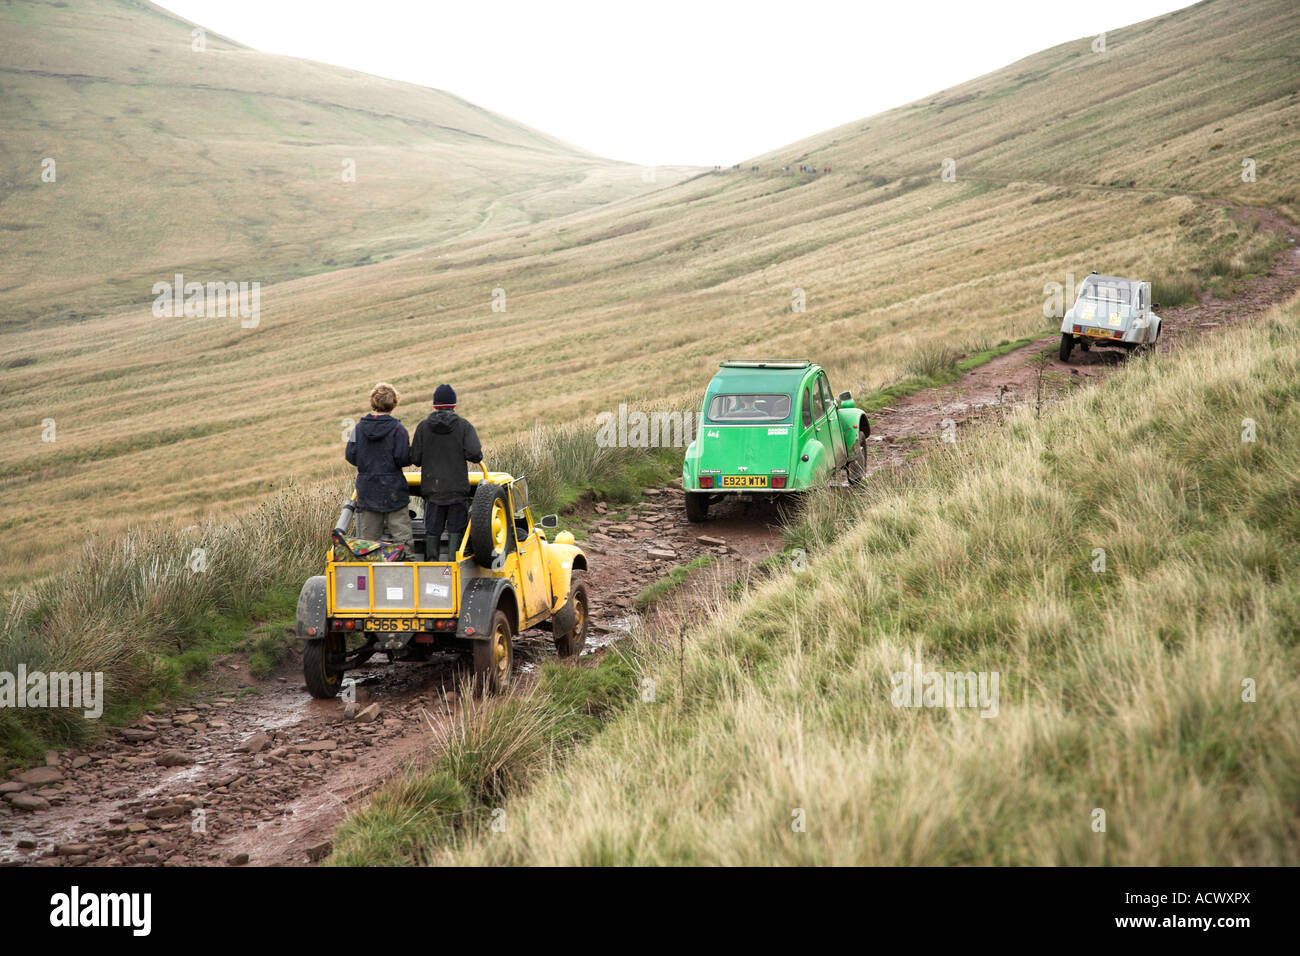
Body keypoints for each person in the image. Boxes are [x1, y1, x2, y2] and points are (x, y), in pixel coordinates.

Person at [410, 384, 483, 557]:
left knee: (433, 530)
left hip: (433, 491)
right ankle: (453, 566)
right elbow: (475, 455)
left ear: (435, 405)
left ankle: (432, 565)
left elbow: (415, 459)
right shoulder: (464, 426)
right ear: (454, 405)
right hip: (457, 490)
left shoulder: (423, 427)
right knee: (456, 530)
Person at [345, 382, 412, 547]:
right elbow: (403, 458)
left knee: (368, 541)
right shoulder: (399, 429)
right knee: (402, 537)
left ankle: (369, 569)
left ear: (373, 403)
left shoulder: (357, 429)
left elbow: (350, 455)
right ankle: (407, 566)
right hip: (394, 489)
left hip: (367, 489)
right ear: (394, 403)